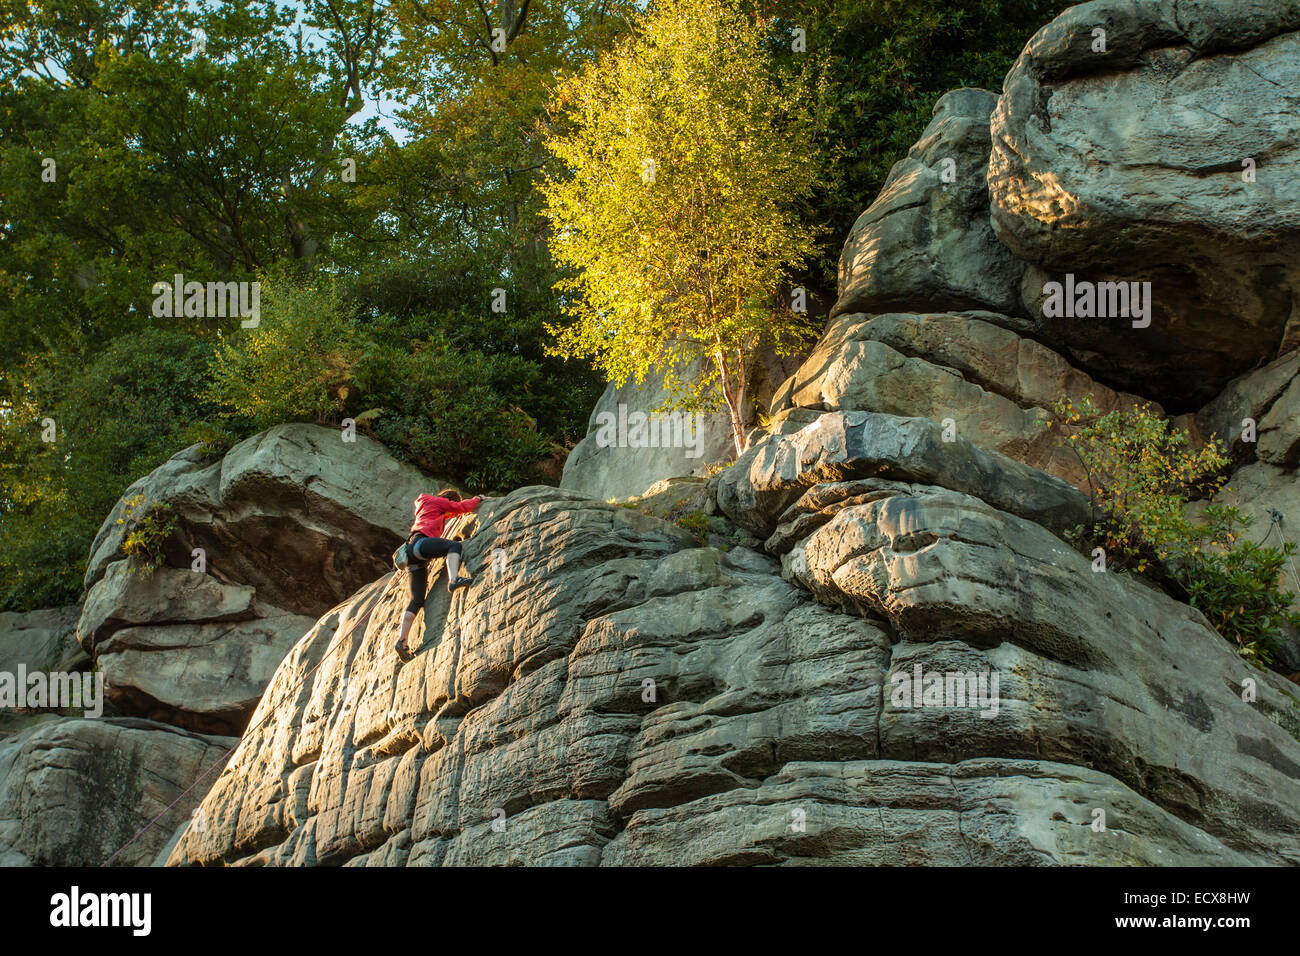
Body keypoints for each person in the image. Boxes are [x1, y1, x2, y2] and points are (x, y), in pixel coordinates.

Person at [392, 488, 483, 662]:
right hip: (421, 544)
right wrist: (478, 498)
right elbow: (463, 507)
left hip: (413, 554)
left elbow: (447, 515)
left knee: (416, 600)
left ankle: (402, 641)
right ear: (448, 500)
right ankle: (454, 578)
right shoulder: (436, 501)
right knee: (454, 546)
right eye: (450, 504)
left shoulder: (426, 505)